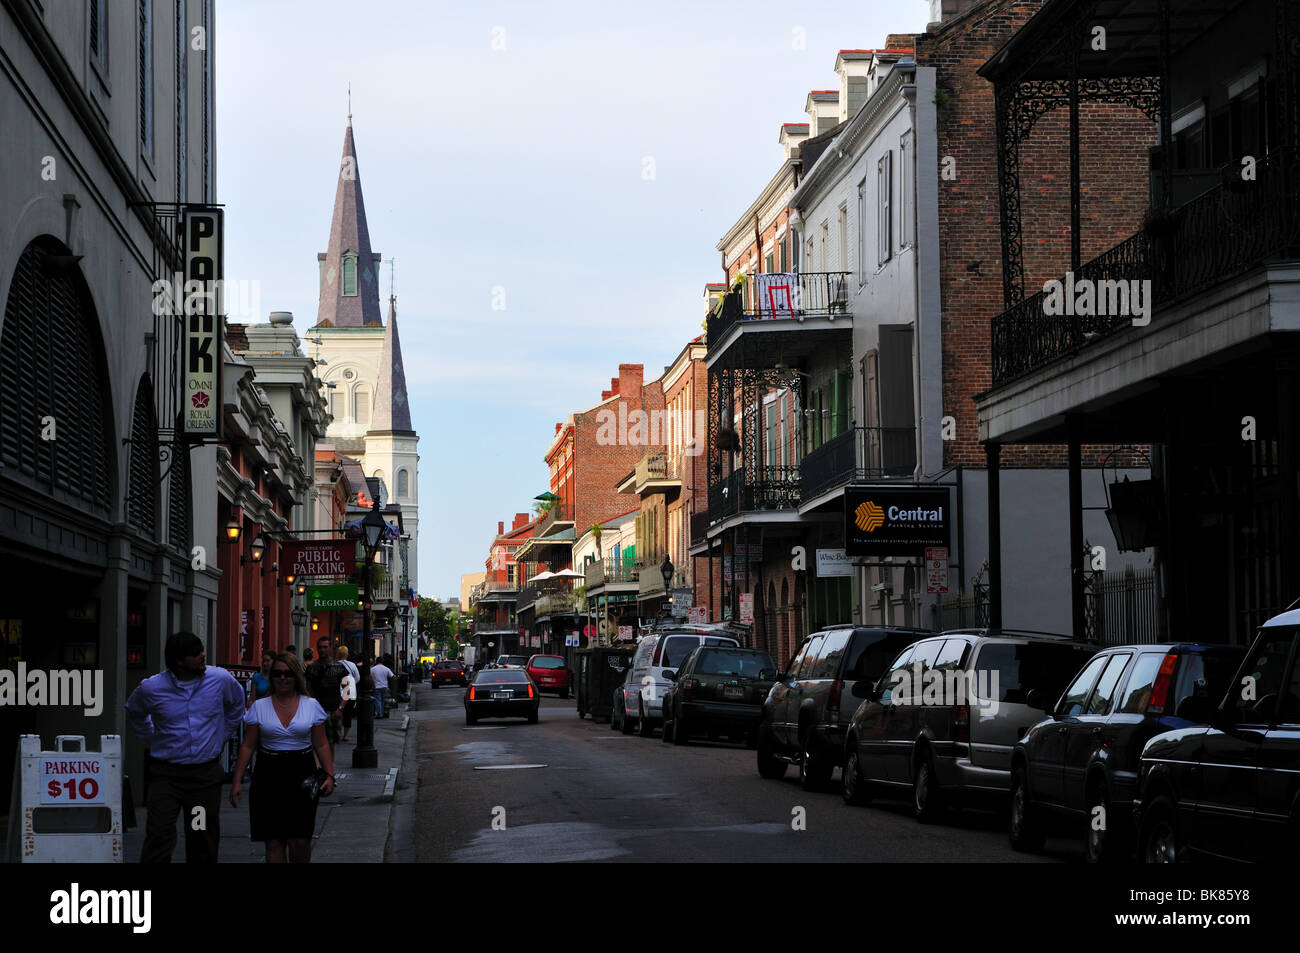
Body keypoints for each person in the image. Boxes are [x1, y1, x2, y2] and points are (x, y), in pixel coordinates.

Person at [125, 632, 245, 863]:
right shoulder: (152, 688)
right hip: (166, 776)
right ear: (179, 661)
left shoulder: (219, 679)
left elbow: (236, 705)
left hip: (202, 779)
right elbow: (135, 711)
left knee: (199, 833)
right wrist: (152, 737)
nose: (203, 655)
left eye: (202, 650)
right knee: (159, 832)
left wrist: (221, 735)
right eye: (195, 653)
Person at [230, 654, 335, 863]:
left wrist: (329, 775)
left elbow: (321, 743)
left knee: (300, 841)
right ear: (272, 677)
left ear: (296, 676)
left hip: (302, 772)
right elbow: (248, 745)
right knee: (274, 841)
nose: (283, 678)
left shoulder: (311, 705)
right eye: (278, 673)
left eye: (288, 674)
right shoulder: (260, 707)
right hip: (268, 773)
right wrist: (237, 782)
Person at [304, 636, 345, 755]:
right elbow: (307, 688)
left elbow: (347, 688)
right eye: (320, 647)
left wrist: (340, 708)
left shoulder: (338, 667)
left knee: (331, 741)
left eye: (325, 647)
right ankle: (318, 768)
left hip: (333, 709)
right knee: (315, 740)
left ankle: (329, 770)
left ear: (330, 648)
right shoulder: (311, 668)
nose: (322, 650)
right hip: (317, 709)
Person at [336, 645, 361, 742]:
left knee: (338, 713)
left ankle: (338, 732)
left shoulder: (335, 664)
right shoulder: (352, 665)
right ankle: (345, 735)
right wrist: (351, 683)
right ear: (347, 654)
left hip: (338, 692)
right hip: (350, 692)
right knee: (348, 714)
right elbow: (358, 678)